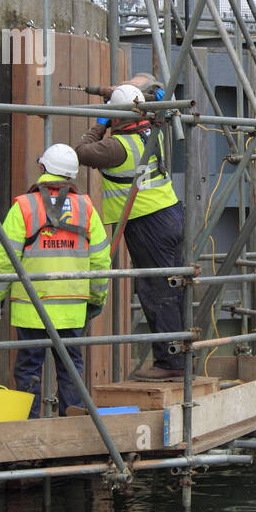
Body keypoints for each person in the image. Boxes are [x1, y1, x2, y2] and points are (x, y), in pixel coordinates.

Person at [0, 144, 110, 417]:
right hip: (72, 310)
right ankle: (71, 435)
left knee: (29, 371)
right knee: (71, 371)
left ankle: (30, 434)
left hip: (32, 309)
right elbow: (100, 261)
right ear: (72, 175)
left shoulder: (24, 207)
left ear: (42, 169)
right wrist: (97, 299)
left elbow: (4, 259)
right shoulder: (85, 209)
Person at [76, 82, 187, 381]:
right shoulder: (152, 127)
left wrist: (100, 123)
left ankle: (170, 363)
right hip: (170, 212)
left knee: (156, 290)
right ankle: (180, 356)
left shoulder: (116, 146)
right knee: (174, 287)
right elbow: (145, 93)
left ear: (116, 117)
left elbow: (80, 152)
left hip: (146, 220)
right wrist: (115, 94)